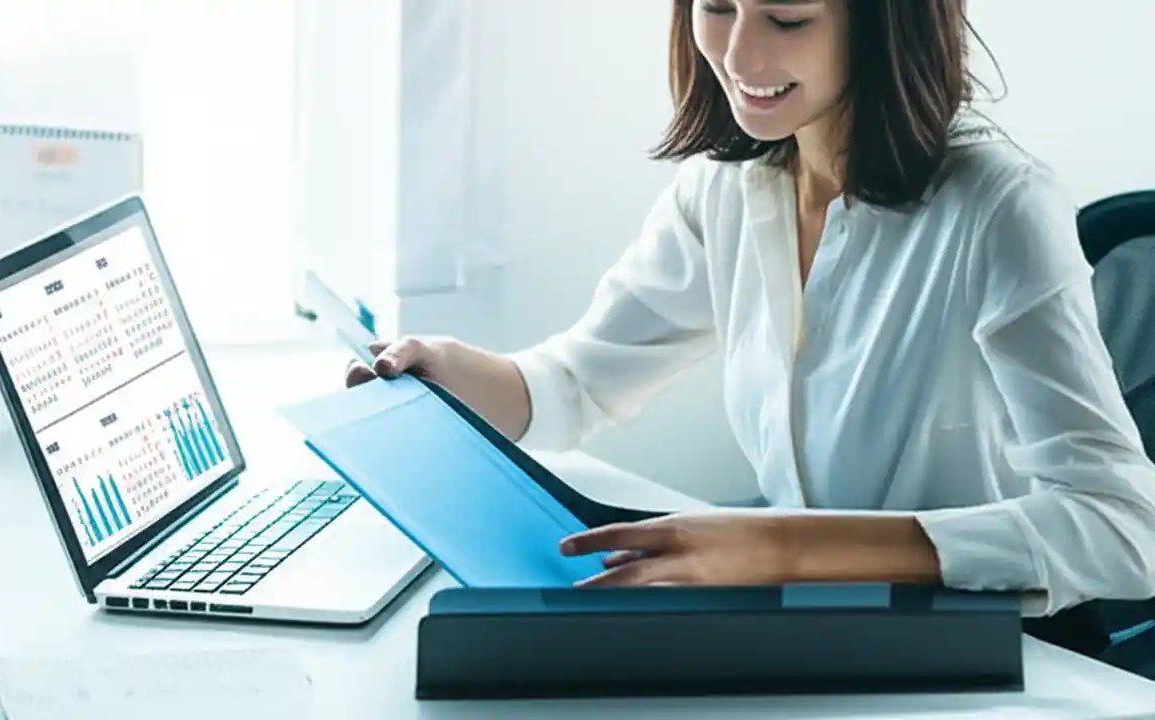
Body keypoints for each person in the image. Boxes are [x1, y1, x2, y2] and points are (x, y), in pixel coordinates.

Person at [345, 0, 1155, 643]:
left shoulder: (998, 206)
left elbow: (1122, 526)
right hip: (827, 631)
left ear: (881, 18)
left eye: (788, 18)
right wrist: (450, 375)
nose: (738, 57)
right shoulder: (726, 189)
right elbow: (572, 382)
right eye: (717, 7)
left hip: (1013, 650)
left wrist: (778, 548)